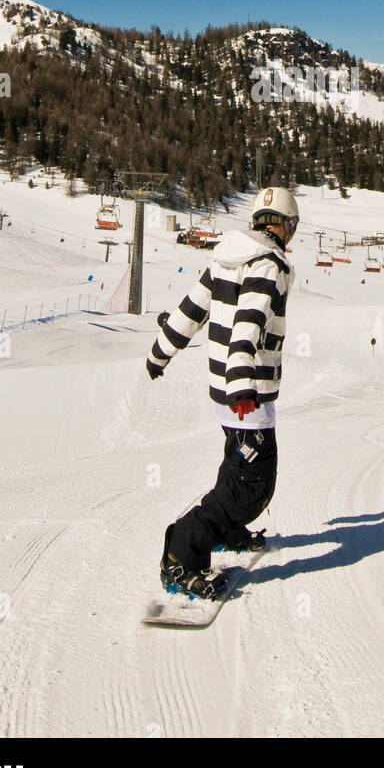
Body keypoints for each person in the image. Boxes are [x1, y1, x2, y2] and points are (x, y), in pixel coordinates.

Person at [145, 187, 298, 599]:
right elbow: (249, 323)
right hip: (246, 394)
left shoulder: (226, 257)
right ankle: (181, 555)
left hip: (227, 393)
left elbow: (191, 310)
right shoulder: (267, 263)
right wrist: (243, 382)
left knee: (240, 470)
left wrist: (160, 353)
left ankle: (227, 531)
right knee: (251, 487)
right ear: (285, 225)